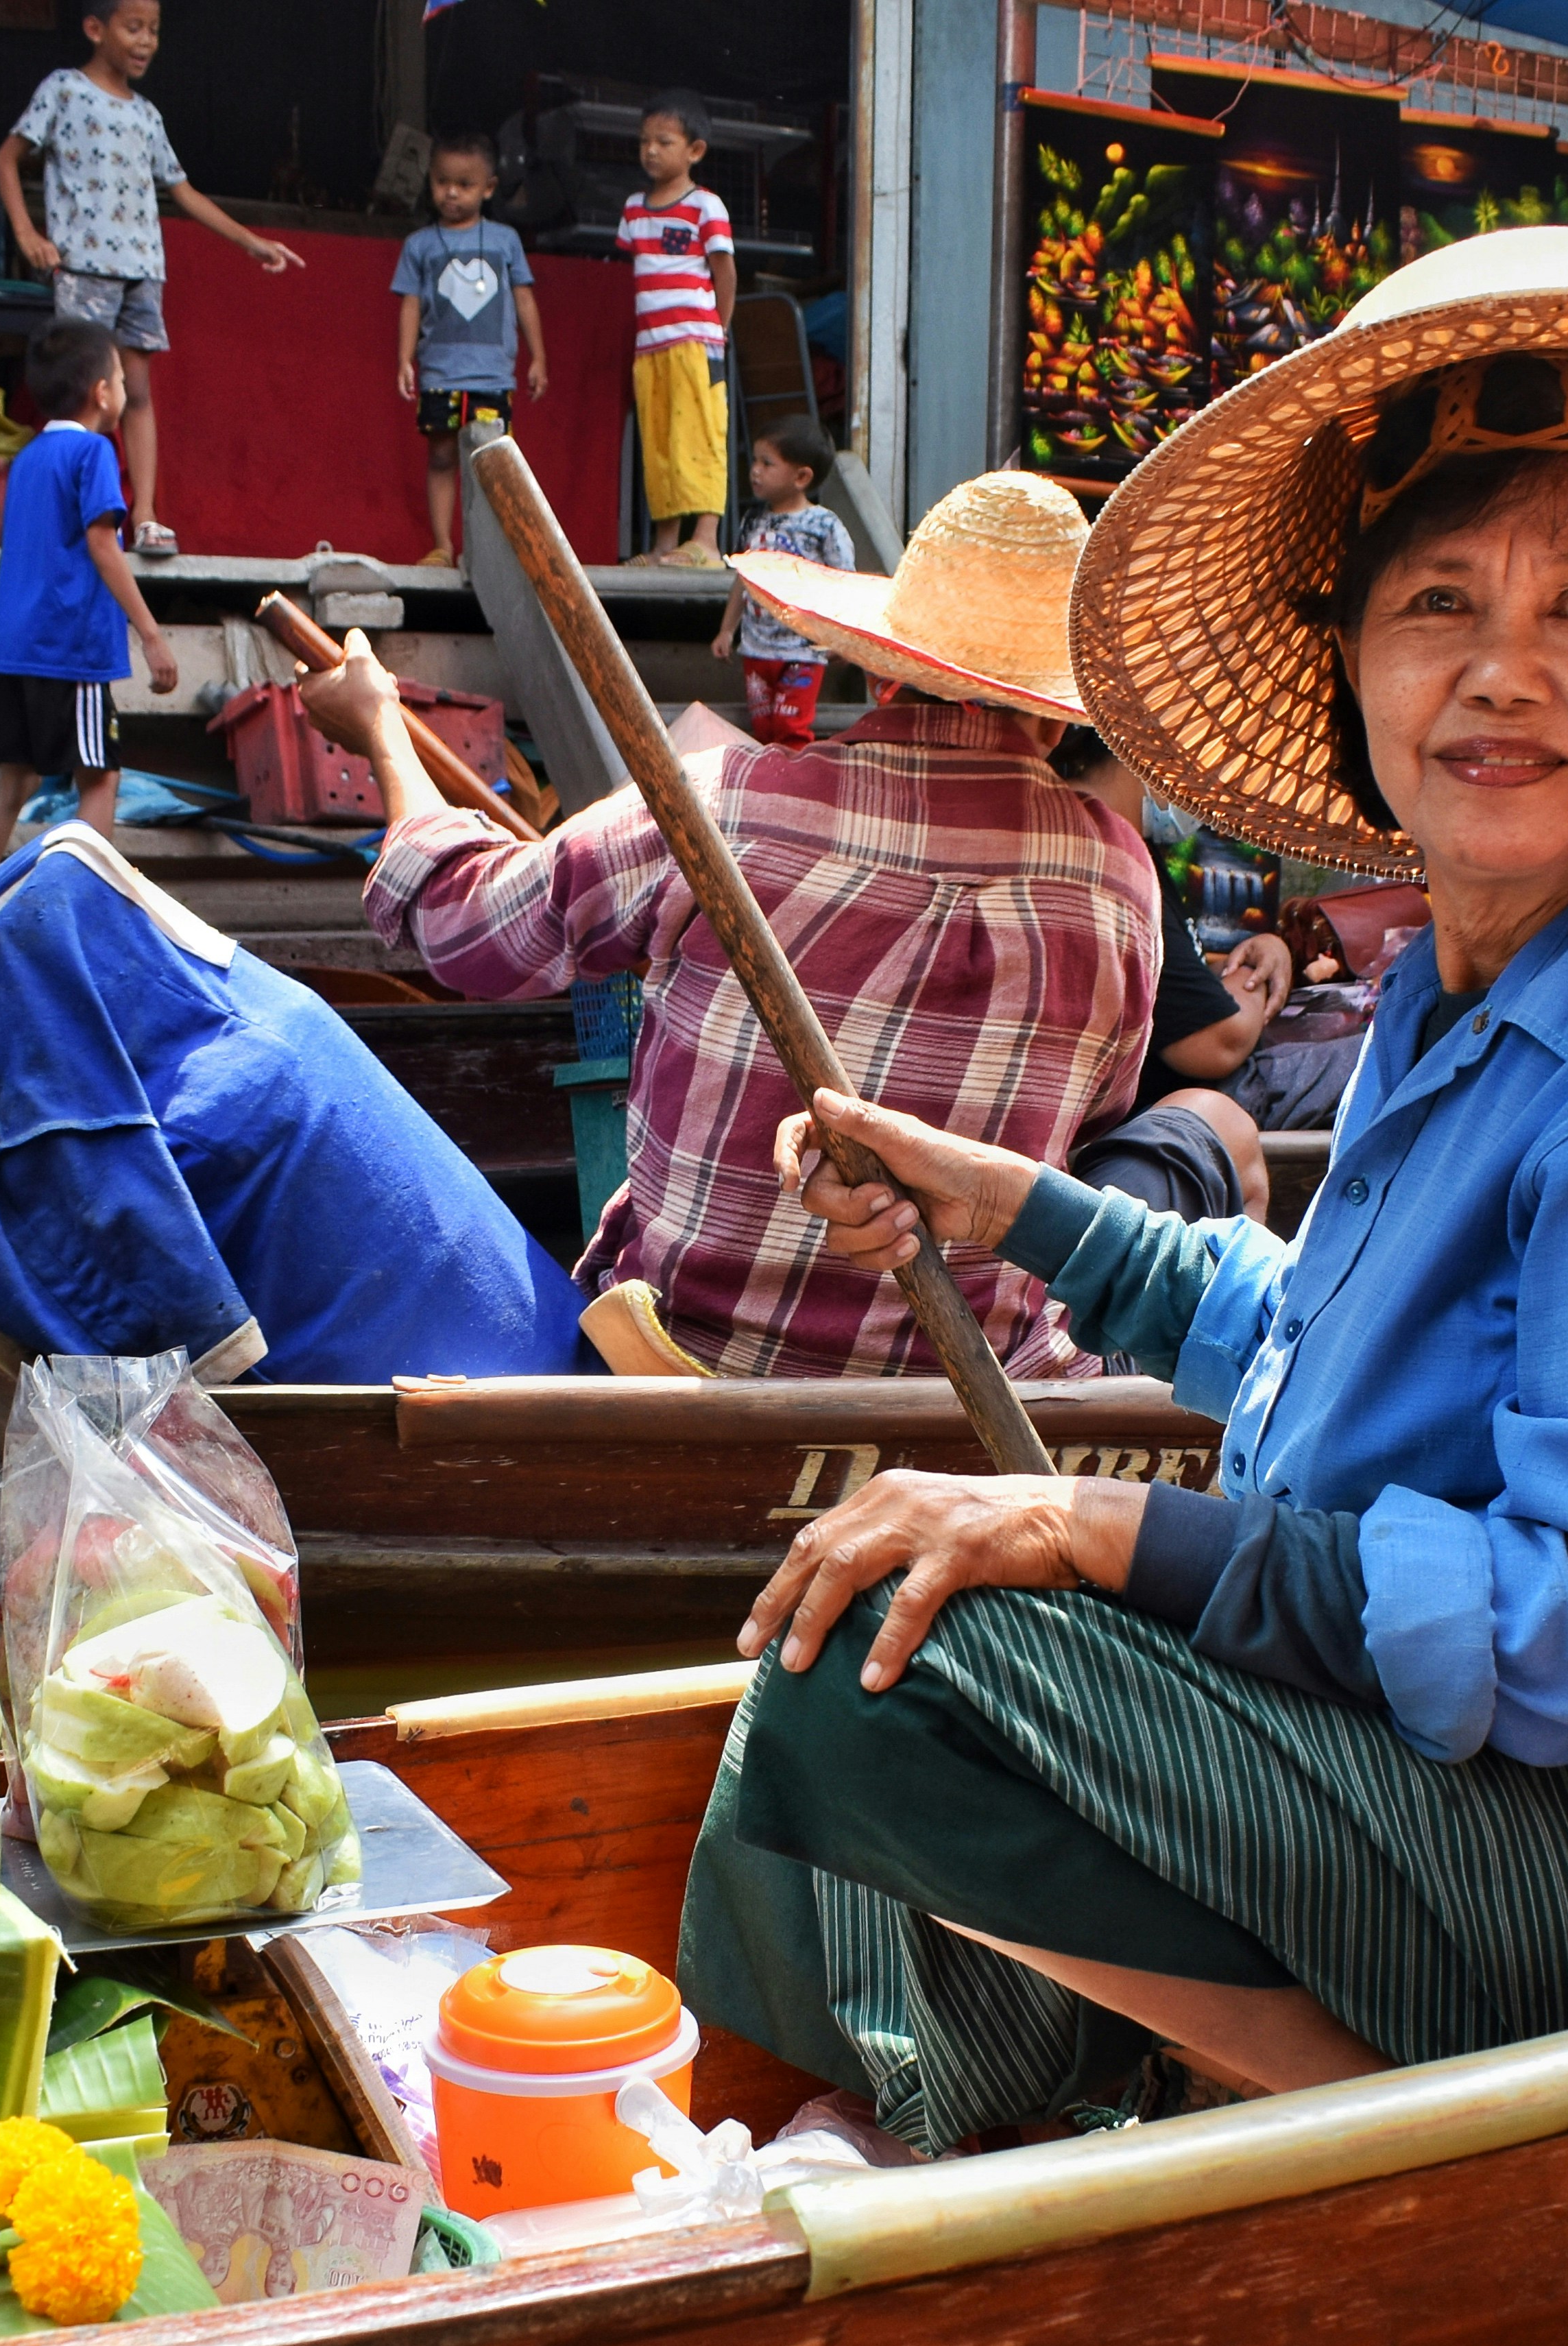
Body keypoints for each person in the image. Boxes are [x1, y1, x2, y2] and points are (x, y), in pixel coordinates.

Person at [668, 227, 1568, 2153]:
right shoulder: (1459, 977)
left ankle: (1328, 2118)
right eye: (1434, 604)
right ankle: (991, 2095)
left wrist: (1094, 1530)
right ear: (1353, 657)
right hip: (1469, 1782)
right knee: (877, 1604)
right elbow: (1315, 1349)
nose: (1500, 674)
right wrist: (1017, 1206)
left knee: (922, 1663)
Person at [298, 470, 1159, 1381]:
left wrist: (382, 731)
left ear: (879, 666)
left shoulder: (724, 804)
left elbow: (461, 925)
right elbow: (1097, 1111)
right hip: (969, 1396)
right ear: (1063, 717)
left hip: (690, 1372)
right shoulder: (1118, 881)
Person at [0, 828, 586, 1386]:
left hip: (466, 1439)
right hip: (572, 1367)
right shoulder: (272, 1018)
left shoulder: (173, 1133)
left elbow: (155, 1339)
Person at [0, 0, 301, 561]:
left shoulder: (147, 115)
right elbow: (6, 160)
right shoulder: (63, 90)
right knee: (80, 394)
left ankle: (147, 518)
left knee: (137, 393)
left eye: (154, 31)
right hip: (85, 268)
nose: (146, 41)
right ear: (95, 29)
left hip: (142, 271)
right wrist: (26, 233)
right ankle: (71, 512)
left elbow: (182, 192)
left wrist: (249, 242)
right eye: (133, 28)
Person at [0, 317, 176, 875]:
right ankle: (82, 907)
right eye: (121, 378)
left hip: (16, 647)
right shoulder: (95, 455)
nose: (127, 390)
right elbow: (103, 543)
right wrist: (151, 635)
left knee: (12, 784)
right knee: (100, 778)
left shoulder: (27, 458)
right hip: (71, 649)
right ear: (101, 392)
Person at [1054, 723, 1281, 1221]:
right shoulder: (1111, 853)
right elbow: (1215, 1042)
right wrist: (1261, 975)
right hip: (1124, 1141)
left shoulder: (1104, 839)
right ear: (1150, 754)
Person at [392, 132, 543, 573]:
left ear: (489, 188)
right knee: (441, 457)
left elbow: (525, 299)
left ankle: (489, 552)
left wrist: (539, 357)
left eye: (464, 183)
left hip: (494, 378)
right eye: (442, 182)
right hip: (439, 374)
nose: (451, 192)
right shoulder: (419, 244)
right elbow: (410, 304)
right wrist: (404, 358)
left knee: (493, 465)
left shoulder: (505, 240)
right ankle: (443, 546)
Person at [620, 93, 734, 568]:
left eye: (664, 142)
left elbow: (724, 271)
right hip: (651, 347)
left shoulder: (705, 206)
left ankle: (705, 540)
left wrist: (718, 332)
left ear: (695, 151)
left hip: (695, 342)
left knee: (701, 435)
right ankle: (667, 542)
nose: (651, 150)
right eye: (645, 141)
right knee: (661, 440)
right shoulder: (633, 210)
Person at [710, 417, 852, 742]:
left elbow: (843, 584)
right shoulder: (753, 521)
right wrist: (727, 629)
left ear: (802, 477)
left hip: (802, 651)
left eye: (767, 463)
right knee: (764, 730)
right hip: (758, 648)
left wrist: (842, 638)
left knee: (791, 728)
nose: (755, 470)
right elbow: (743, 579)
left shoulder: (824, 526)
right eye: (755, 461)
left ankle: (792, 781)